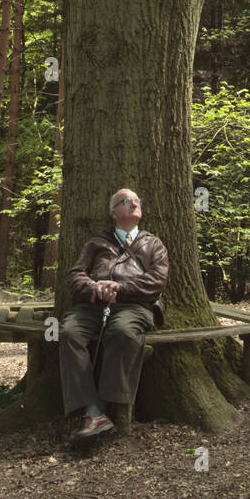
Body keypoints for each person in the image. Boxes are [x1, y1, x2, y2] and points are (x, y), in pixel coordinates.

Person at [59, 188, 168, 446]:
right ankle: (91, 410)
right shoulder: (97, 243)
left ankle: (97, 412)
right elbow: (75, 275)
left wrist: (122, 288)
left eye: (136, 201)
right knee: (68, 332)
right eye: (125, 201)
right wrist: (94, 287)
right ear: (113, 212)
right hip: (93, 305)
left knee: (122, 333)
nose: (133, 204)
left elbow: (157, 281)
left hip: (134, 306)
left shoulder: (154, 244)